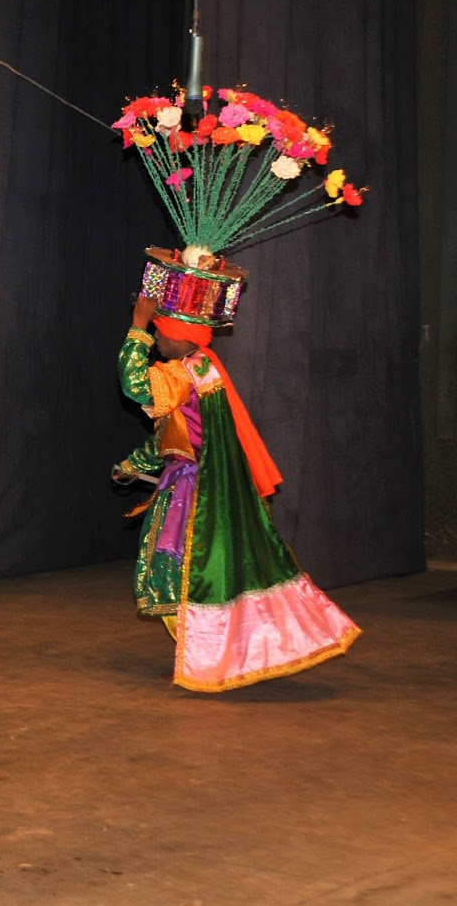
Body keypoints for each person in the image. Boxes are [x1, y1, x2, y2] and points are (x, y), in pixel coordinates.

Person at [112, 293, 359, 691]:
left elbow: (136, 386)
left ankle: (205, 658)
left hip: (191, 496)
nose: (157, 340)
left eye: (162, 332)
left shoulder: (182, 374)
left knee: (178, 571)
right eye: (154, 332)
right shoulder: (203, 366)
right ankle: (208, 654)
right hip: (194, 484)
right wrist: (133, 467)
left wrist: (137, 329)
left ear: (181, 335)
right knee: (199, 573)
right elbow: (177, 436)